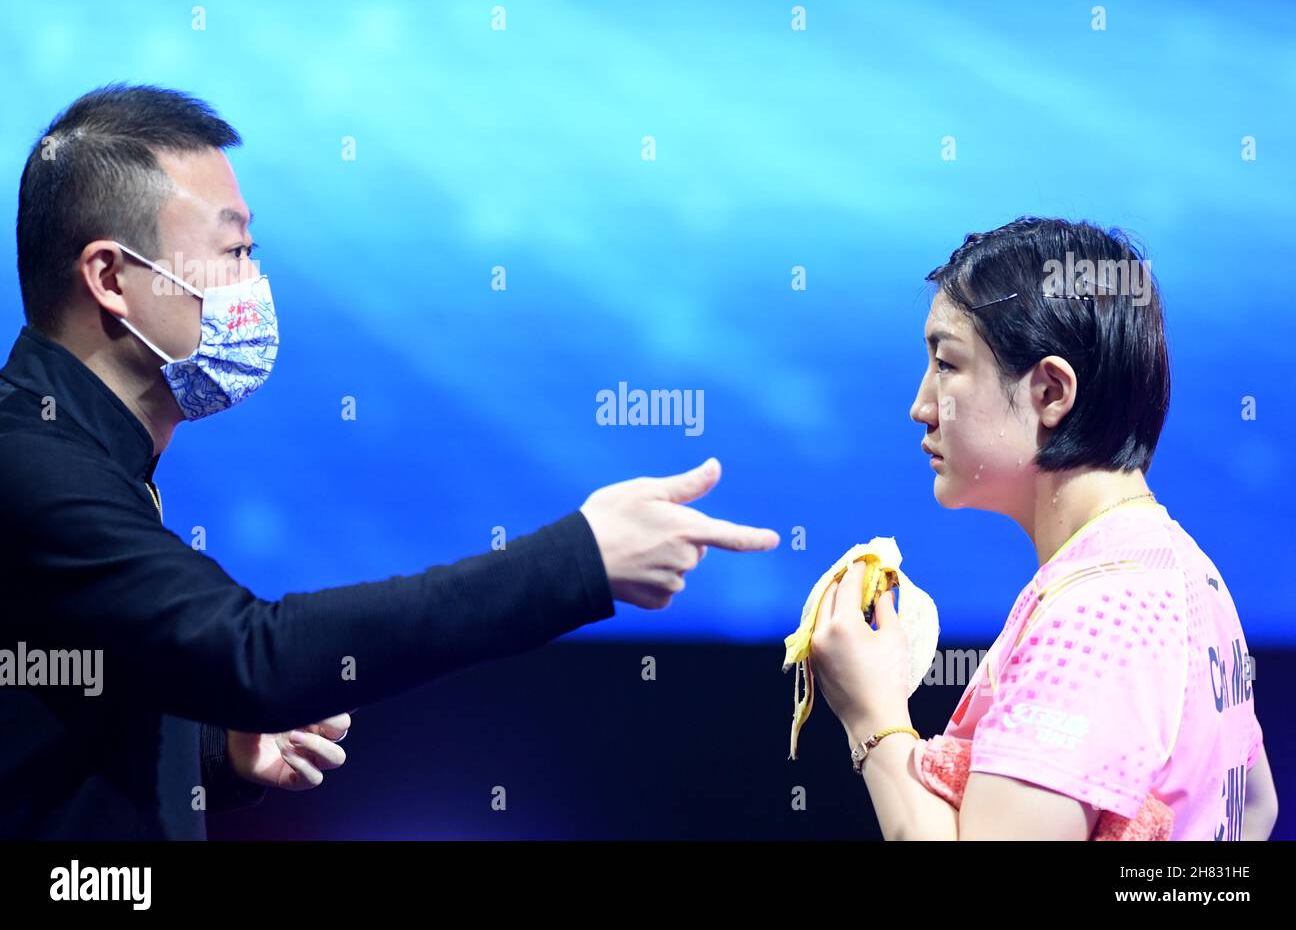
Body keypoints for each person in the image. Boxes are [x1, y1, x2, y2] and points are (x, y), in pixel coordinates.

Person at [0, 84, 779, 839]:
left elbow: (64, 730)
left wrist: (218, 755)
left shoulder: (88, 457)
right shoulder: (28, 461)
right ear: (110, 278)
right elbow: (253, 653)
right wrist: (581, 561)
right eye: (233, 249)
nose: (254, 285)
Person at [808, 217, 1277, 840]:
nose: (921, 407)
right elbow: (1253, 806)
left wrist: (873, 714)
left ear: (1051, 391)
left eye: (947, 364)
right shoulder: (1185, 570)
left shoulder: (1098, 619)